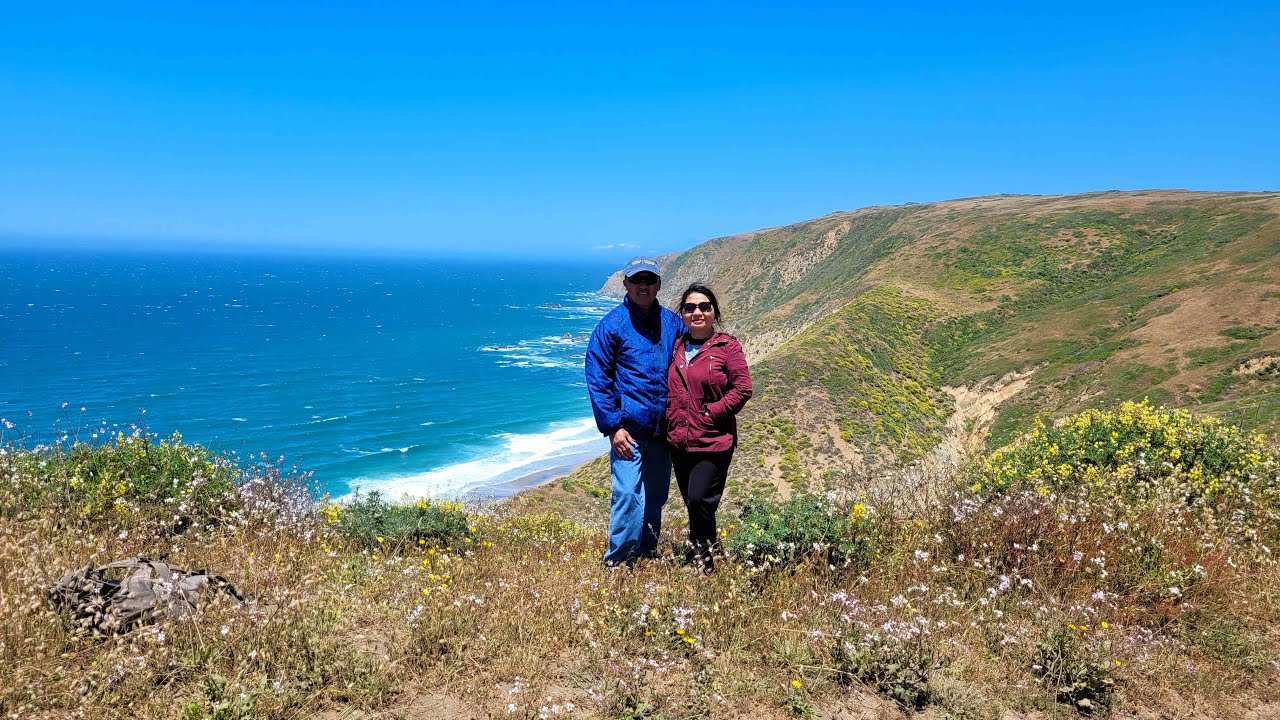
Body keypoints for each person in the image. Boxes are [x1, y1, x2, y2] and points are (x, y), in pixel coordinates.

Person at [585, 257, 687, 566]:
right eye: (637, 280)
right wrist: (612, 427)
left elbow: (695, 355)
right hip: (628, 432)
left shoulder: (673, 324)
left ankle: (646, 553)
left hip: (663, 431)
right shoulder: (611, 326)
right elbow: (598, 378)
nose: (643, 286)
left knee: (656, 497)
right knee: (628, 494)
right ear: (626, 284)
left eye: (649, 280)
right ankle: (619, 562)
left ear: (659, 284)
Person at [665, 284, 752, 572]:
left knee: (699, 498)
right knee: (694, 504)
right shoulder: (676, 347)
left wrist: (713, 412)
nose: (697, 312)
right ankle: (704, 550)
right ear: (682, 314)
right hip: (679, 440)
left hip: (713, 439)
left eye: (704, 307)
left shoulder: (727, 347)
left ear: (714, 312)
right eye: (689, 308)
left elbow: (743, 388)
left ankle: (703, 564)